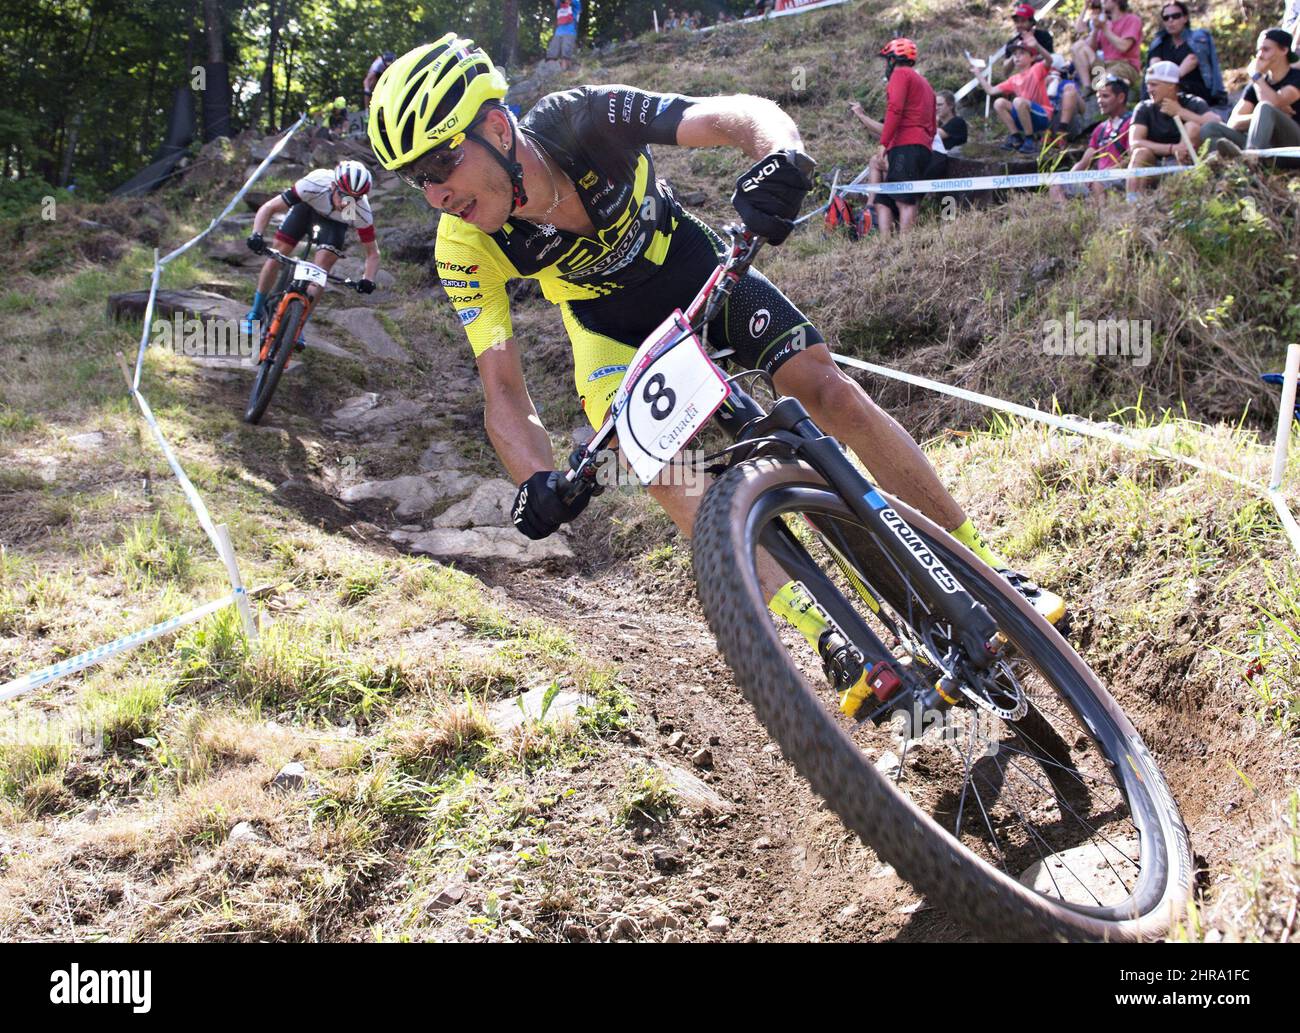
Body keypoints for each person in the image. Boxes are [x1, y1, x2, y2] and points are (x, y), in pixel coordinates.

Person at [366, 36, 1067, 699]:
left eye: (438, 166)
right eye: (415, 180)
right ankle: (831, 636)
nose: (434, 194)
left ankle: (990, 575)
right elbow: (504, 392)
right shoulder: (462, 244)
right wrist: (538, 481)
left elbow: (737, 116)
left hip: (697, 271)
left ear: (493, 125)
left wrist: (780, 154)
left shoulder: (583, 119)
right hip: (613, 339)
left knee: (825, 389)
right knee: (664, 472)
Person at [243, 160, 380, 343]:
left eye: (353, 200)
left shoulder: (360, 211)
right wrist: (256, 235)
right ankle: (256, 311)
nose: (346, 204)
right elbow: (269, 208)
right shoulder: (315, 184)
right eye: (344, 196)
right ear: (333, 186)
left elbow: (373, 253)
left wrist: (368, 279)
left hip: (335, 225)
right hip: (307, 209)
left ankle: (298, 325)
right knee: (278, 253)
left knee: (320, 272)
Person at [849, 39, 935, 234]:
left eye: (887, 61)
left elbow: (894, 110)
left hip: (906, 145)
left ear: (893, 59)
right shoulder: (924, 83)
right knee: (883, 199)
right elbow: (932, 123)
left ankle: (905, 248)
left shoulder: (900, 75)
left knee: (904, 200)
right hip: (920, 146)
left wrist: (884, 142)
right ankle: (885, 246)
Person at [1126, 59, 1220, 199]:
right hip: (1154, 165)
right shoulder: (1144, 108)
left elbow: (1216, 122)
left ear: (1171, 86)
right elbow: (1135, 142)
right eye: (1148, 85)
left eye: (1154, 85)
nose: (1149, 90)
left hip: (1184, 163)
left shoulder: (1192, 102)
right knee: (1140, 153)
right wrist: (1172, 148)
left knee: (1192, 127)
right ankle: (1133, 205)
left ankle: (1189, 192)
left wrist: (1180, 112)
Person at [1201, 28, 1300, 157]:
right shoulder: (1258, 83)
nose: (1259, 55)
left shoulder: (1296, 77)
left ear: (1284, 50)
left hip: (1293, 147)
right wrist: (1261, 119)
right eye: (1259, 50)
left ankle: (1250, 161)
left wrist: (1256, 76)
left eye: (1266, 49)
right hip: (1266, 149)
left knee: (1264, 108)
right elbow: (1233, 122)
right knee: (1209, 128)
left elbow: (1273, 103)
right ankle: (1242, 163)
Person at [1048, 76, 1133, 202]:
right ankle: (1067, 218)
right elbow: (1084, 162)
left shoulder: (1132, 123)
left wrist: (1104, 175)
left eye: (1105, 96)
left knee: (1097, 184)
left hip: (1121, 178)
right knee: (1056, 186)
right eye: (1098, 96)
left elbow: (1131, 159)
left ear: (1120, 98)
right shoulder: (1100, 128)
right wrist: (1067, 178)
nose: (1099, 101)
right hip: (1099, 179)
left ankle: (1102, 219)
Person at [972, 41, 1054, 154]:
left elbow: (1049, 60)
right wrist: (978, 74)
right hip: (1025, 116)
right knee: (999, 102)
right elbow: (990, 91)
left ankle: (1030, 140)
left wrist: (1036, 45)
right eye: (1015, 54)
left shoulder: (1036, 69)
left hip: (1042, 116)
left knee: (1018, 101)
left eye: (1021, 53)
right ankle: (1016, 136)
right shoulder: (1014, 79)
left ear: (1032, 58)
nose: (1017, 56)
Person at [1144, 2, 1226, 105]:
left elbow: (1185, 66)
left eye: (1176, 16)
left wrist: (1164, 80)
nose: (1171, 20)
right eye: (1166, 17)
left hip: (1194, 92)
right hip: (1164, 91)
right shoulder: (1159, 43)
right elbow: (1154, 71)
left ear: (1185, 18)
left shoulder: (1197, 39)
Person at [1071, 0, 1143, 92]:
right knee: (1078, 46)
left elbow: (1123, 47)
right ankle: (1087, 88)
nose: (1102, 1)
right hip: (1105, 66)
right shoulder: (1106, 23)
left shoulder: (1132, 19)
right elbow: (1090, 48)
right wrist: (1096, 30)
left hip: (1125, 66)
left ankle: (1099, 86)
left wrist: (1104, 29)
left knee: (1107, 82)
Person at [1002, 2, 1055, 73]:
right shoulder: (1013, 42)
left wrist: (1036, 46)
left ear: (1031, 22)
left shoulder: (1044, 36)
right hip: (1025, 78)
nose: (1019, 25)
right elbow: (1006, 71)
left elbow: (1052, 59)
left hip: (1045, 74)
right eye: (1017, 21)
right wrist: (1016, 51)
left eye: (1023, 21)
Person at [549, 0, 581, 71]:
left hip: (570, 32)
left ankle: (565, 74)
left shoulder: (576, 2)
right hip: (558, 33)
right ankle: (551, 74)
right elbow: (555, 2)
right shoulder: (560, 3)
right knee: (552, 54)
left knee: (565, 56)